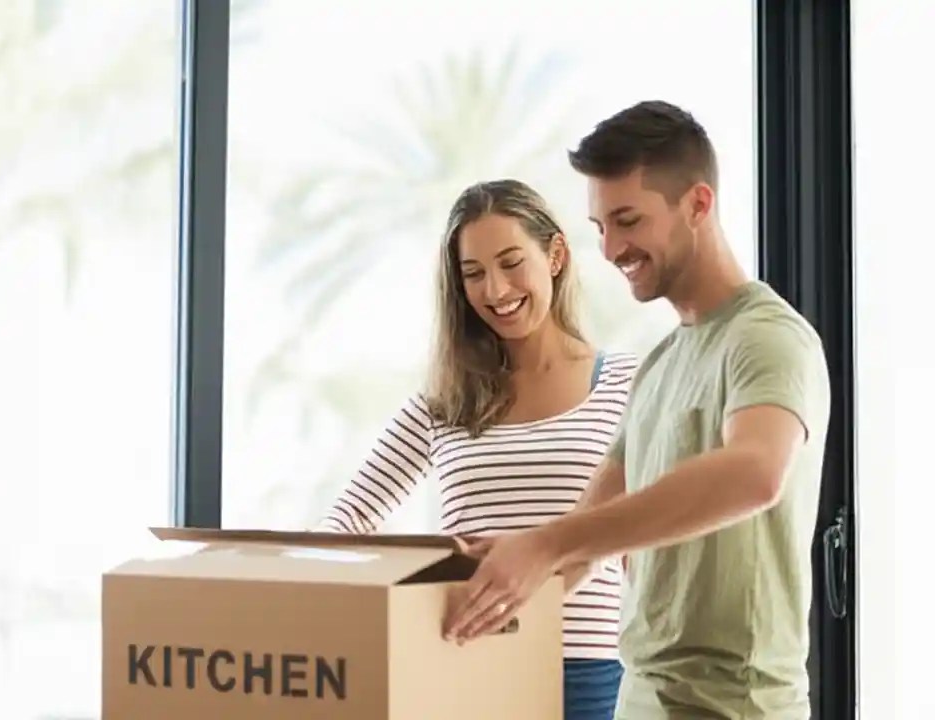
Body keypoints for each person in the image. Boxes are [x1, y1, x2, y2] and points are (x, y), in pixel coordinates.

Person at [442, 101, 832, 720]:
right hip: (643, 698)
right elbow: (590, 531)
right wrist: (492, 585)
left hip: (736, 707)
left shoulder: (766, 337)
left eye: (627, 220)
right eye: (599, 226)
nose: (612, 247)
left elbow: (755, 473)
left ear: (698, 204)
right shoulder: (659, 366)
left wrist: (546, 544)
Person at [317, 178, 638, 720]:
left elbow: (639, 542)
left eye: (512, 262)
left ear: (555, 255)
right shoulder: (446, 399)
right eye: (473, 274)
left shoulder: (627, 384)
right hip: (463, 666)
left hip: (583, 675)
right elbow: (351, 516)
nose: (495, 290)